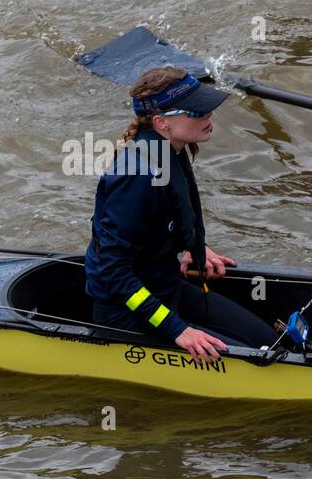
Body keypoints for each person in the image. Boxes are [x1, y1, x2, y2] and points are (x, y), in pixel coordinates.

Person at [84, 66, 276, 362]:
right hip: (128, 313)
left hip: (166, 284)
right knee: (258, 357)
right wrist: (178, 330)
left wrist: (191, 246)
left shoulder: (172, 150)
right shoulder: (137, 177)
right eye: (197, 112)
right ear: (162, 123)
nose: (208, 116)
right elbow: (112, 272)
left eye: (207, 108)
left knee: (268, 341)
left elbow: (166, 219)